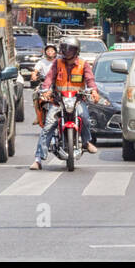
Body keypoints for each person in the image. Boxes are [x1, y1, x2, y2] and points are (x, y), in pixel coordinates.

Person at [30, 36, 99, 170]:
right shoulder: (57, 63)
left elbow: (90, 80)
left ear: (76, 51)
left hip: (77, 101)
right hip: (58, 102)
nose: (66, 51)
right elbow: (49, 78)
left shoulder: (83, 64)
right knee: (48, 126)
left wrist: (94, 91)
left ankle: (86, 142)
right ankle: (38, 159)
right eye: (64, 49)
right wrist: (45, 90)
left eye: (69, 49)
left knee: (85, 117)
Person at [30, 44, 57, 128]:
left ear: (55, 52)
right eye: (48, 51)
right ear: (45, 52)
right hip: (44, 84)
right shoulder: (41, 62)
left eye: (52, 51)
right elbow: (35, 70)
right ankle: (38, 116)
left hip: (56, 84)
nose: (50, 52)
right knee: (35, 94)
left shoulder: (58, 62)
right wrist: (34, 75)